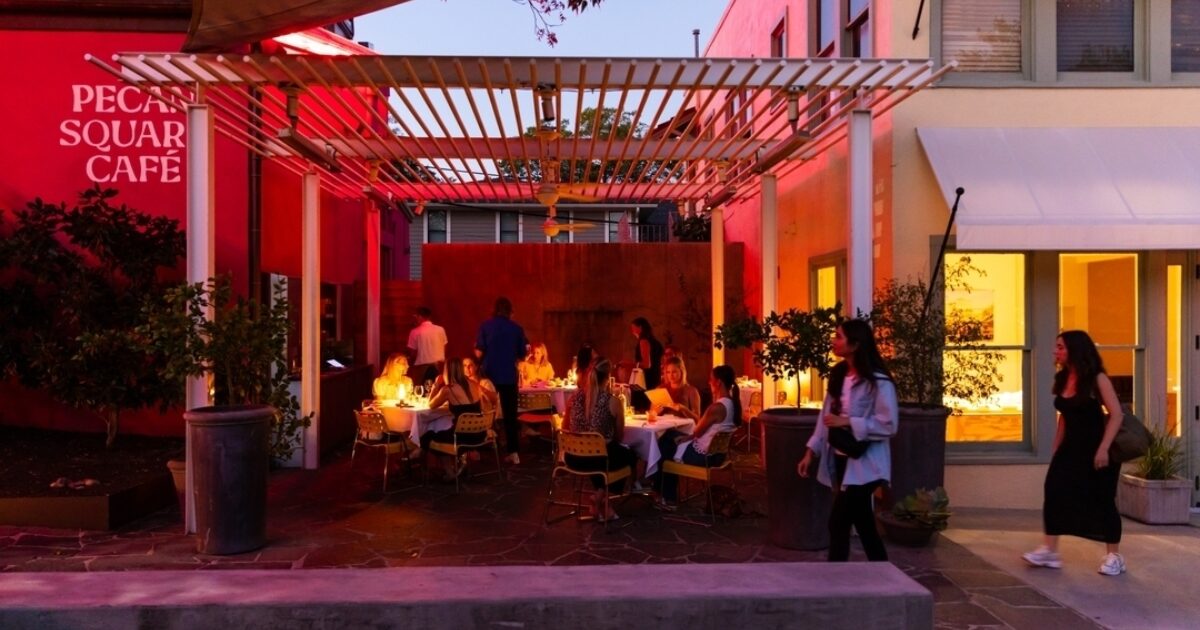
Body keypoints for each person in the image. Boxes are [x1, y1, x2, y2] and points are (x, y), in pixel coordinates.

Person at [1023, 330, 1126, 576]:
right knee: (1054, 490)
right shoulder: (1063, 378)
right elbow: (1065, 416)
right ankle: (1050, 551)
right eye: (1056, 347)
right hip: (1070, 449)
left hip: (1097, 450)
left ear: (1075, 349)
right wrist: (1056, 447)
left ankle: (1114, 556)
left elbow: (1117, 415)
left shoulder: (1097, 379)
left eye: (1060, 347)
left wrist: (1103, 448)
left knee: (1102, 499)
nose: (1055, 351)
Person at [798, 319, 897, 563]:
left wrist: (849, 421)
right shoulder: (839, 375)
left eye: (839, 336)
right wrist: (811, 451)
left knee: (838, 522)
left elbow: (888, 423)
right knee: (863, 522)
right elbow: (826, 417)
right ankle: (881, 571)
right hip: (842, 458)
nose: (834, 340)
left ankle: (837, 575)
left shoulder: (878, 381)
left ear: (855, 344)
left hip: (867, 464)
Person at [654, 365, 741, 508]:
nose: (709, 382)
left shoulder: (716, 407)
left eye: (711, 379)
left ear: (718, 382)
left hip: (705, 456)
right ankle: (661, 490)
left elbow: (698, 430)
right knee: (670, 436)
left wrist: (685, 438)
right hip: (719, 453)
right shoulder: (732, 404)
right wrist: (685, 438)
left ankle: (666, 496)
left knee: (665, 445)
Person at [563, 357, 634, 521]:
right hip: (598, 459)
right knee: (628, 455)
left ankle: (601, 500)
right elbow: (619, 436)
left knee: (603, 456)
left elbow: (565, 428)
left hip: (573, 457)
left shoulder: (573, 398)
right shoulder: (613, 401)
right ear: (608, 377)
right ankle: (603, 499)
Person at [475, 297, 529, 465]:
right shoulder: (517, 329)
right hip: (508, 375)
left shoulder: (485, 326)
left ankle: (477, 447)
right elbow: (522, 354)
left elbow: (478, 352)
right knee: (510, 415)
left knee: (483, 410)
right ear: (510, 311)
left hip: (489, 375)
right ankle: (513, 452)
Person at [423, 358, 487, 481]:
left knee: (429, 436)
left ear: (447, 371)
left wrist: (436, 385)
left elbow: (430, 405)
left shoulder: (448, 389)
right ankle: (460, 464)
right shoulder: (473, 383)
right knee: (444, 430)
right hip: (480, 433)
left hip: (462, 437)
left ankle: (449, 472)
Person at [407, 306, 448, 385]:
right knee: (439, 388)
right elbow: (444, 347)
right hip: (439, 366)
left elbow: (413, 353)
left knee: (420, 389)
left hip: (421, 368)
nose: (414, 319)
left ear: (419, 316)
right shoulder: (440, 329)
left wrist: (410, 362)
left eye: (415, 316)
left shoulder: (415, 332)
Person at [630, 317, 664, 389]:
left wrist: (629, 364)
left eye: (633, 328)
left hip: (646, 379)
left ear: (640, 327)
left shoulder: (644, 341)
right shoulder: (655, 342)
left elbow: (646, 364)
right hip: (656, 377)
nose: (632, 331)